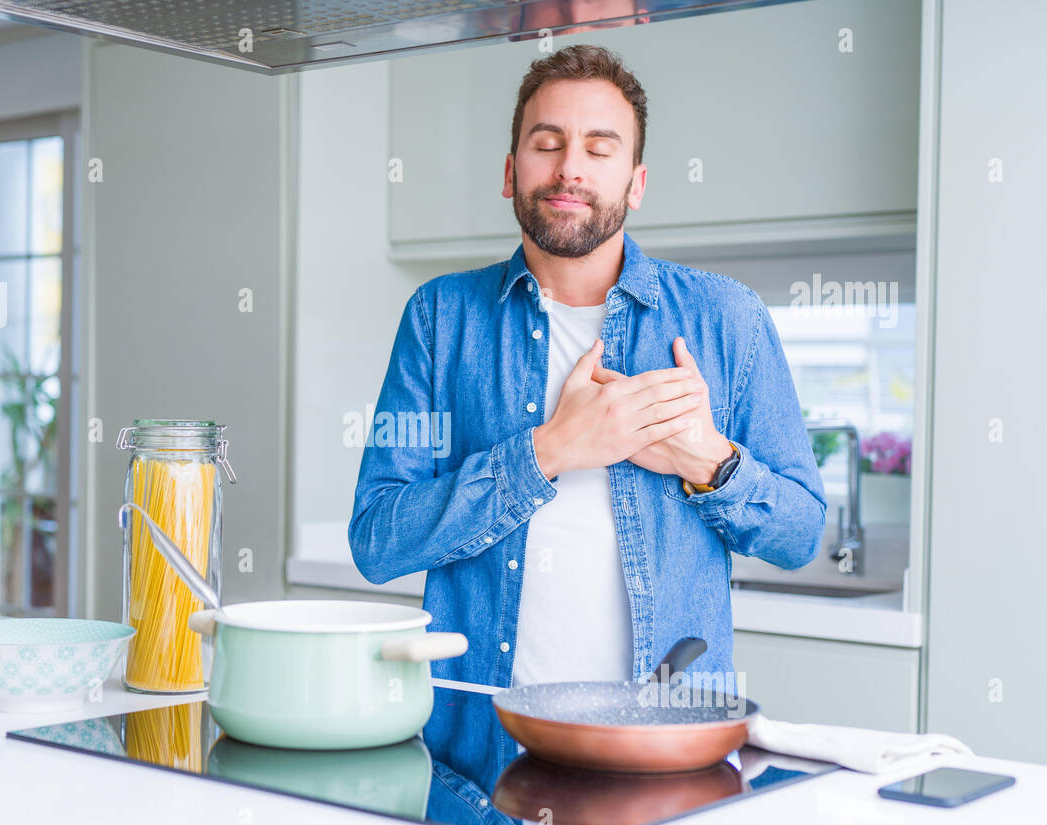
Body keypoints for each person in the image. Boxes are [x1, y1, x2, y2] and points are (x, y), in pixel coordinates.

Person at [348, 44, 826, 761]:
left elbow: (801, 533)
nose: (570, 167)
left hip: (665, 753)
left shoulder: (729, 319)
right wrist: (549, 451)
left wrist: (712, 463)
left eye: (599, 148)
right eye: (547, 143)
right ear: (511, 172)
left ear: (635, 184)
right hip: (478, 755)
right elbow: (378, 539)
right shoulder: (439, 318)